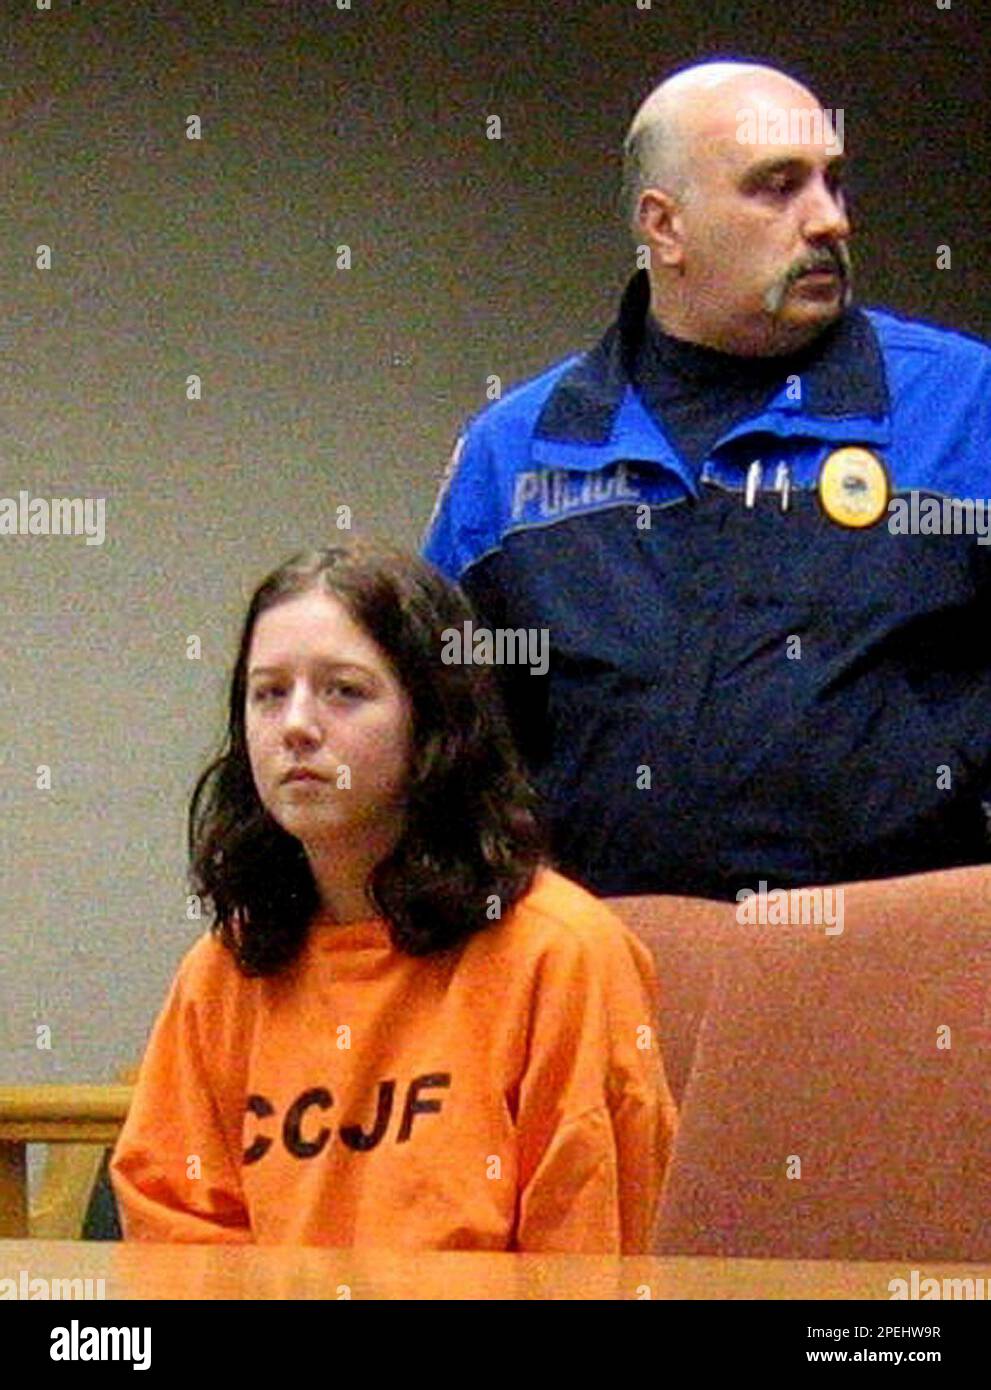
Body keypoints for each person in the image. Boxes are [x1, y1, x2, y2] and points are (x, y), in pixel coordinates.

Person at [423, 60, 991, 901]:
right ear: (665, 227)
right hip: (612, 977)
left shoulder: (964, 403)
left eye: (832, 184)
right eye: (777, 186)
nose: (828, 220)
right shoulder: (518, 453)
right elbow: (441, 745)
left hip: (908, 972)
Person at [110, 540, 676, 1251]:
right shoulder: (225, 968)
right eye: (268, 693)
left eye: (343, 690)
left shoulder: (562, 954)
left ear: (434, 724)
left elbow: (587, 1257)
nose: (296, 726)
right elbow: (177, 1237)